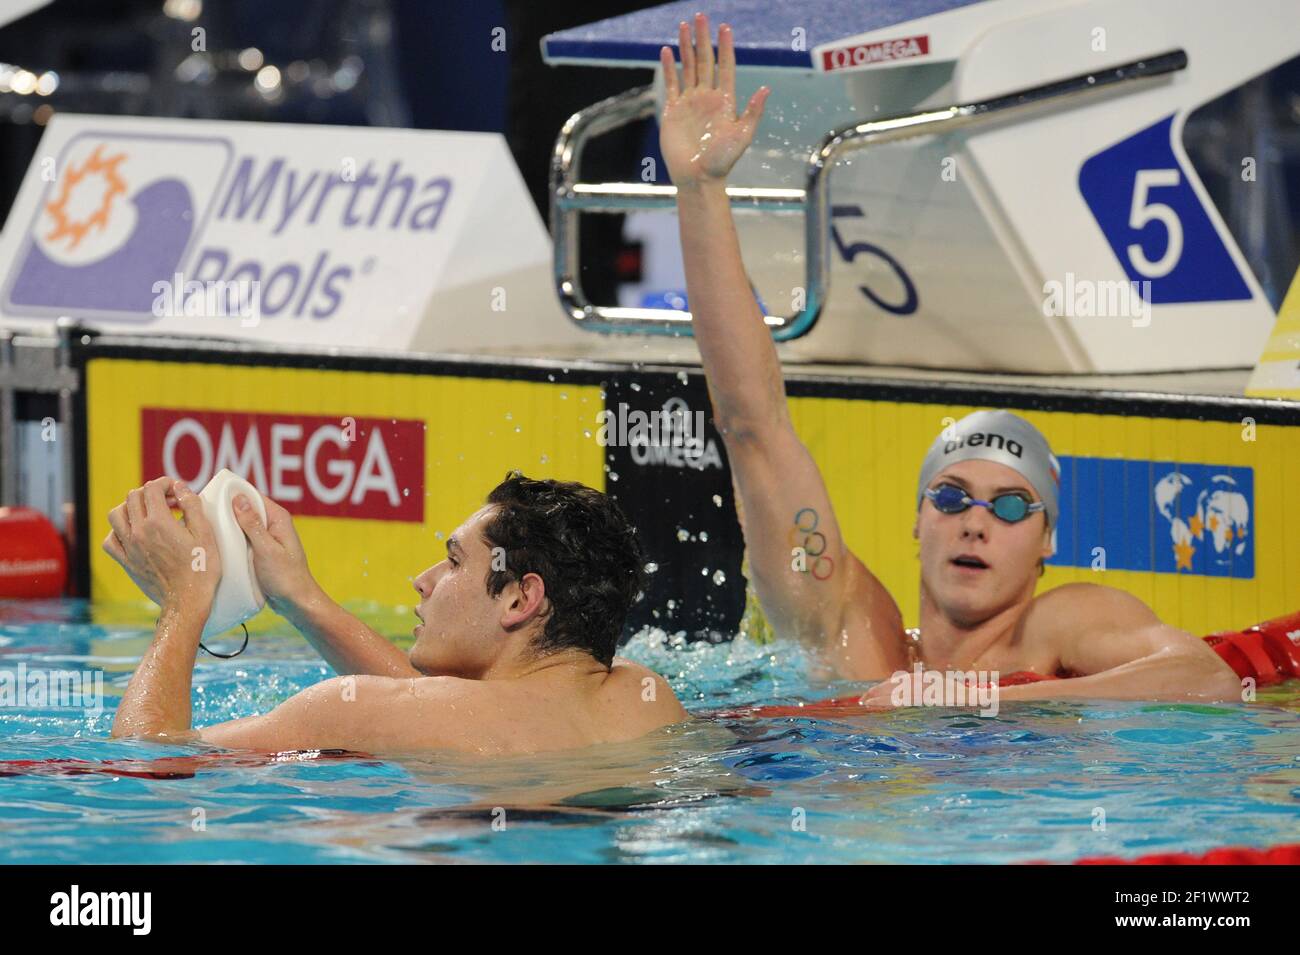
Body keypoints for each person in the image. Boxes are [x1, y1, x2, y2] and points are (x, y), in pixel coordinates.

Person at [658, 14, 1240, 703]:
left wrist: (974, 700)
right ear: (917, 520)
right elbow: (752, 427)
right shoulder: (855, 634)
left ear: (1047, 539)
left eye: (1012, 507)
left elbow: (1207, 678)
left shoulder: (1058, 627)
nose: (974, 521)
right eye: (951, 495)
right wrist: (699, 193)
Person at [103, 471, 687, 753]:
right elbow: (444, 711)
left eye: (453, 562)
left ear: (519, 598)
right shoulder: (645, 699)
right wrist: (300, 597)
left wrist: (184, 601)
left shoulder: (349, 712)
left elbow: (147, 761)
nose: (423, 581)